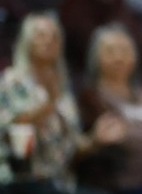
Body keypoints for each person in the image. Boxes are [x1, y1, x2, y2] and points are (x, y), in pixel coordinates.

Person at [0, 12, 123, 192]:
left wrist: (94, 140)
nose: (49, 41)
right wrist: (49, 103)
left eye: (54, 36)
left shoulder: (63, 88)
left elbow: (70, 148)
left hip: (61, 182)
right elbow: (12, 132)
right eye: (41, 35)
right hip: (23, 181)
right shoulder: (12, 82)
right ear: (26, 42)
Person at [76, 24, 142, 194]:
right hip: (132, 182)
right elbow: (110, 139)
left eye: (124, 50)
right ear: (95, 57)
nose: (119, 57)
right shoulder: (91, 99)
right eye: (110, 51)